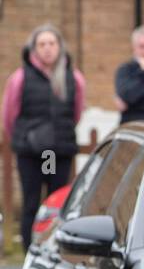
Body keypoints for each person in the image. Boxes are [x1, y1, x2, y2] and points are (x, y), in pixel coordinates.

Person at [2, 24, 84, 250]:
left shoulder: (73, 77)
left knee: (57, 201)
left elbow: (76, 112)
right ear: (34, 48)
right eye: (42, 44)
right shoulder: (20, 78)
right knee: (31, 202)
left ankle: (54, 248)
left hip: (57, 152)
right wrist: (26, 139)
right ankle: (30, 250)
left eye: (51, 43)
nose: (47, 49)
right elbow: (10, 116)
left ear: (59, 47)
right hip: (32, 152)